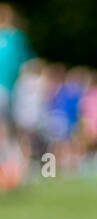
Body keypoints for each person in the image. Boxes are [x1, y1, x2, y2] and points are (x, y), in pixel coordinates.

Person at [0, 4, 32, 132]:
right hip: (9, 89)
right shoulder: (16, 37)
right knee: (8, 125)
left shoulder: (15, 37)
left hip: (10, 89)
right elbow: (27, 64)